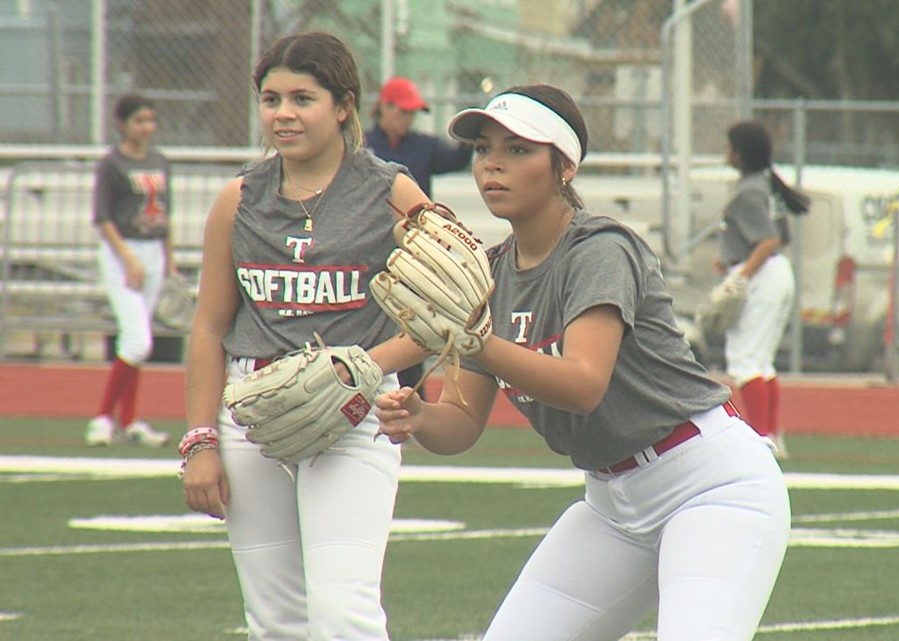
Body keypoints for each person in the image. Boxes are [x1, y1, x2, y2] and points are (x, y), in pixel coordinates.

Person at [375, 85, 791, 641]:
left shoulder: (599, 248)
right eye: (482, 148)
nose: (492, 162)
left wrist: (474, 341)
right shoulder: (486, 274)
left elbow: (582, 385)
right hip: (613, 505)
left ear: (564, 167)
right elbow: (461, 422)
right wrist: (421, 420)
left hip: (710, 486)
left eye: (518, 149)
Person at [179, 31, 430, 641]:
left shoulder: (391, 192)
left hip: (355, 409)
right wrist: (200, 441)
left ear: (344, 106)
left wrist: (360, 370)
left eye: (302, 98)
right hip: (253, 408)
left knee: (344, 612)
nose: (283, 114)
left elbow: (445, 313)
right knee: (274, 620)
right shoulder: (236, 199)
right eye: (271, 99)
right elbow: (210, 326)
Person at [365, 76, 473, 396]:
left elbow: (456, 159)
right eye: (403, 112)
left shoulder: (423, 146)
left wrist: (469, 136)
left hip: (411, 251)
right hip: (369, 248)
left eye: (412, 114)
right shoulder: (362, 146)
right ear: (384, 108)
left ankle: (412, 394)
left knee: (413, 321)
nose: (408, 119)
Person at [85, 93, 176, 448]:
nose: (147, 127)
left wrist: (169, 256)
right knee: (138, 339)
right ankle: (102, 418)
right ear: (122, 124)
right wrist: (127, 257)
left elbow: (166, 213)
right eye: (140, 120)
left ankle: (129, 419)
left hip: (153, 248)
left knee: (135, 342)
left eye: (151, 119)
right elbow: (102, 217)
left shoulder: (161, 161)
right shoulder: (111, 163)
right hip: (122, 251)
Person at [716, 120, 810, 460]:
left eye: (729, 147)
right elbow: (781, 237)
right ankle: (771, 435)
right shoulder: (766, 183)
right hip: (776, 272)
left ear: (739, 155)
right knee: (762, 360)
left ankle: (761, 440)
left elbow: (768, 240)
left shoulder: (748, 191)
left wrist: (739, 276)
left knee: (744, 360)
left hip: (761, 274)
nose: (725, 152)